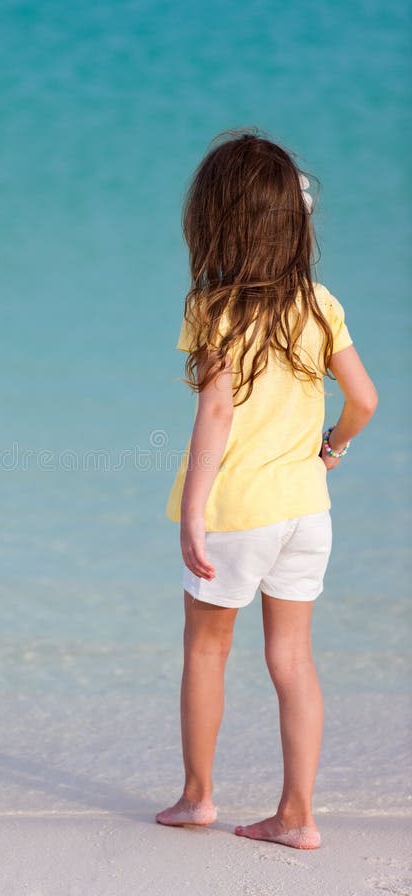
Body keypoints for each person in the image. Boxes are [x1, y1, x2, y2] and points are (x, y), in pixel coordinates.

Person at [156, 130, 378, 850]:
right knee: (292, 660)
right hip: (307, 509)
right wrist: (333, 446)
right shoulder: (319, 304)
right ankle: (297, 816)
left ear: (216, 220)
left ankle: (197, 798)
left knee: (204, 650)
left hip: (238, 511)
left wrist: (193, 509)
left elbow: (216, 410)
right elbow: (366, 399)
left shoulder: (214, 307)